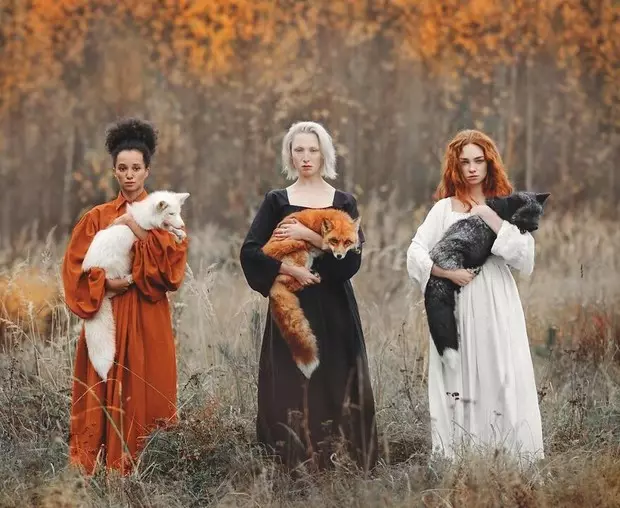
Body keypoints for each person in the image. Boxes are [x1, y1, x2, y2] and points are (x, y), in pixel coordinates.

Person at [240, 121, 378, 471]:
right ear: (290, 154)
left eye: (312, 150)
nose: (306, 157)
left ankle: (343, 464)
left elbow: (351, 262)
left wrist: (312, 236)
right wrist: (290, 271)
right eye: (298, 150)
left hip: (334, 310)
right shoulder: (277, 201)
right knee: (290, 385)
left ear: (324, 154)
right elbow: (251, 253)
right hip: (291, 303)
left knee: (336, 382)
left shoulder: (344, 202)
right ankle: (290, 464)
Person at [406, 129, 544, 461]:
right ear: (455, 166)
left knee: (501, 372)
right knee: (459, 373)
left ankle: (508, 456)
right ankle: (463, 456)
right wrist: (445, 272)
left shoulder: (507, 204)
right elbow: (415, 253)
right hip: (456, 301)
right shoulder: (443, 210)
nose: (472, 168)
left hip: (497, 302)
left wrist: (490, 218)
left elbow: (524, 258)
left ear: (489, 163)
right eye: (464, 161)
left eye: (478, 161)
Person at [62, 118, 188, 474]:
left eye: (136, 168)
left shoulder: (165, 214)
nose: (129, 175)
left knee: (148, 387)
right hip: (108, 313)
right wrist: (104, 285)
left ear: (147, 171)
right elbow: (75, 271)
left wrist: (135, 228)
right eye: (122, 168)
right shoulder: (97, 217)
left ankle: (149, 469)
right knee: (102, 387)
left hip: (148, 317)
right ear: (114, 171)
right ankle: (98, 468)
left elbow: (170, 271)